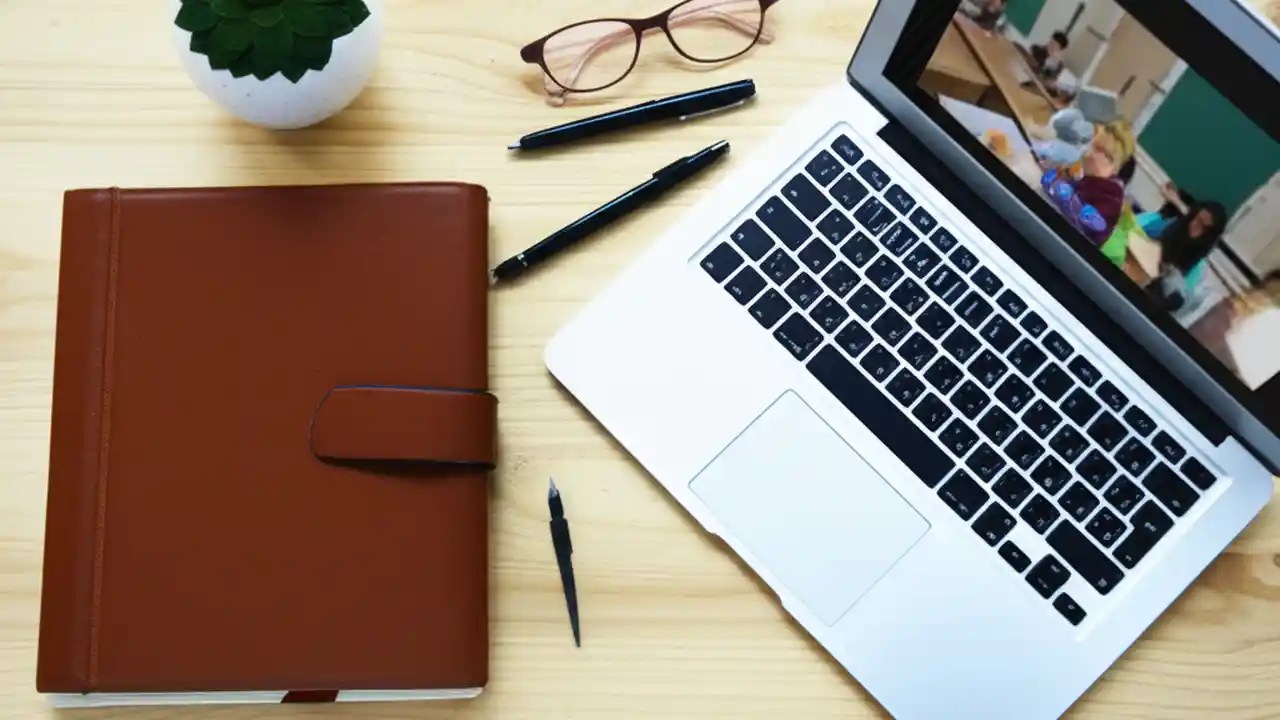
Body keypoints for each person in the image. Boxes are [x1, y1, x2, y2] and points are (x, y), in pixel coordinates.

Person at [1146, 201, 1228, 311]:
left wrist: (1166, 269)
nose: (1196, 224)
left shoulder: (1204, 243)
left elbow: (1183, 267)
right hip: (1154, 254)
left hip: (1169, 271)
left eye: (1203, 224)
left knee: (1175, 300)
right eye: (1198, 218)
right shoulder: (1182, 222)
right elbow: (1164, 239)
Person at [1073, 120, 1136, 239]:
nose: (1088, 153)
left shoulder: (1108, 202)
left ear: (1112, 162)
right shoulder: (1086, 180)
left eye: (1096, 149)